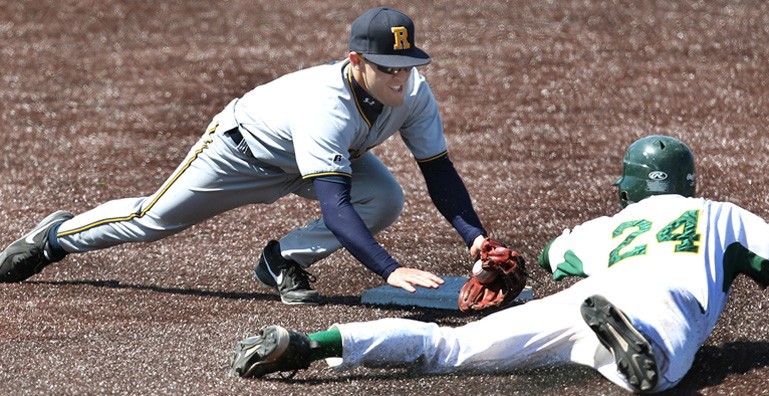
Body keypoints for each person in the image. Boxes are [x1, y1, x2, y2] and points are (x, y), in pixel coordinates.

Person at [0, 7, 492, 305]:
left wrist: (474, 238)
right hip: (239, 155)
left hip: (316, 158)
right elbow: (334, 206)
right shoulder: (326, 106)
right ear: (357, 61)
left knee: (384, 197)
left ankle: (282, 261)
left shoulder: (414, 94)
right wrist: (388, 269)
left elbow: (438, 170)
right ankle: (54, 238)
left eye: (408, 67)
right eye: (389, 69)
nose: (401, 80)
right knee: (152, 219)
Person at [227, 135, 769, 393]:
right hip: (661, 304)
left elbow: (551, 257)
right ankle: (630, 344)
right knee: (659, 377)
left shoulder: (607, 229)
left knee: (450, 347)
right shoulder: (721, 214)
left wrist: (507, 264)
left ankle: (315, 343)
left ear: (628, 189)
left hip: (581, 300)